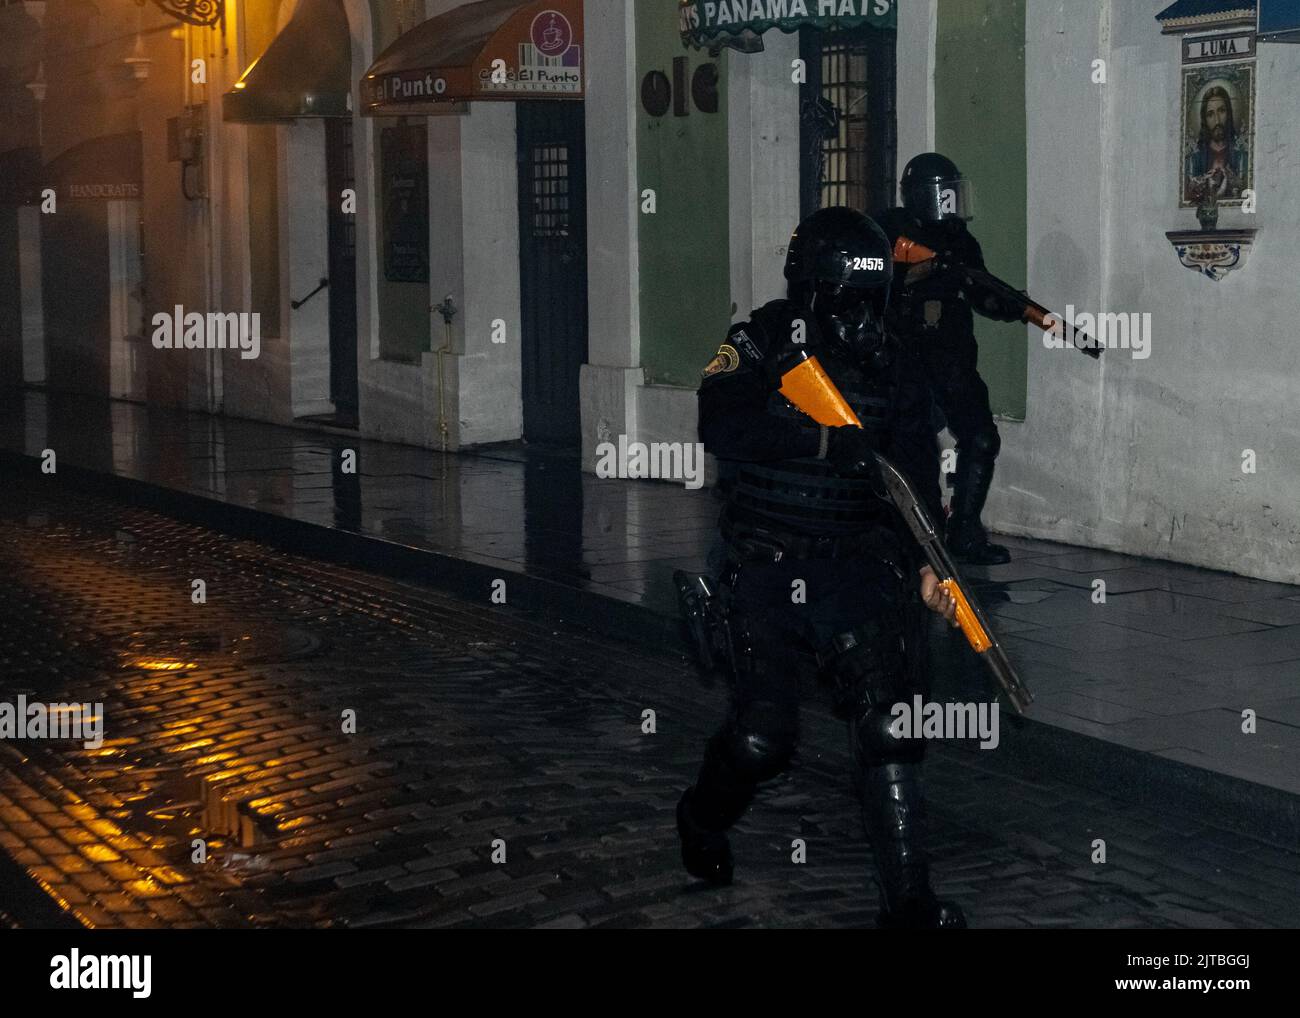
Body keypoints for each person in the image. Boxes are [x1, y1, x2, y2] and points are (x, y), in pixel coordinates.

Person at [675, 206, 967, 929]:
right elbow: (720, 421)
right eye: (849, 297)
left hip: (853, 566)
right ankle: (701, 820)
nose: (860, 315)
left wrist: (933, 562)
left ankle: (909, 908)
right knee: (760, 738)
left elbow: (916, 476)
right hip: (765, 564)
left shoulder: (896, 358)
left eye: (872, 298)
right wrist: (821, 444)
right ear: (814, 287)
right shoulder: (759, 339)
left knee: (892, 728)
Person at [877, 153, 1027, 566]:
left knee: (981, 437)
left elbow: (981, 294)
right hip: (904, 359)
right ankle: (913, 535)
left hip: (952, 358)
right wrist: (927, 270)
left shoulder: (961, 240)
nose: (951, 204)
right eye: (943, 195)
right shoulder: (892, 230)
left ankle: (965, 531)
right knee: (910, 450)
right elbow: (882, 282)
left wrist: (1009, 303)